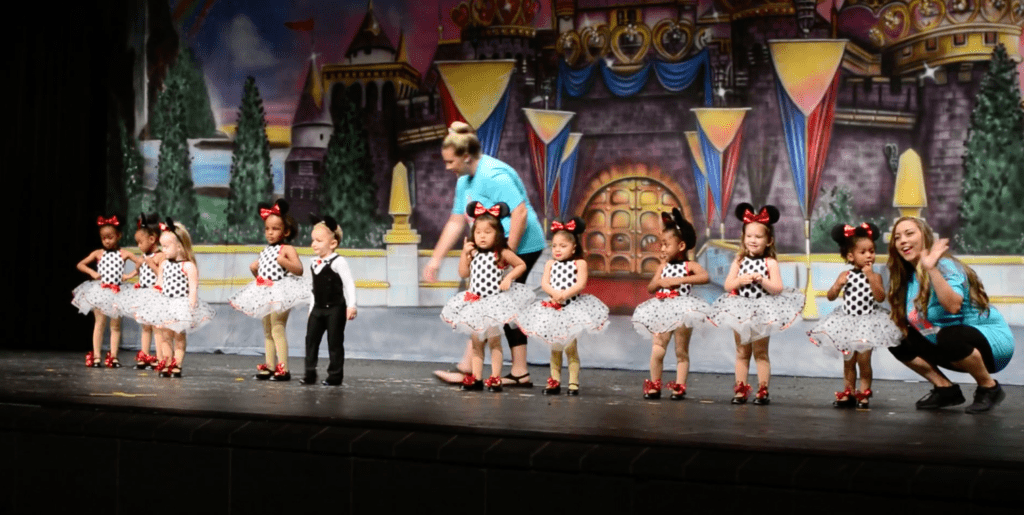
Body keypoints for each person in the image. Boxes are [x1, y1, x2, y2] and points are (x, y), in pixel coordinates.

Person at [425, 122, 546, 388]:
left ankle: (509, 371)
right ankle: (478, 368)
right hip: (491, 246)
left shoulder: (493, 175)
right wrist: (436, 259)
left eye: (450, 161)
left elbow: (520, 213)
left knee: (501, 305)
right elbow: (457, 221)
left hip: (521, 244)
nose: (447, 167)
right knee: (487, 304)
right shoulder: (464, 181)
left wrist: (506, 254)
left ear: (466, 156)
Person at [886, 216, 1014, 413]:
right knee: (893, 335)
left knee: (950, 335)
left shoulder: (945, 266)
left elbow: (953, 306)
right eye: (897, 237)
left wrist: (931, 269)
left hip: (992, 345)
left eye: (909, 233)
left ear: (925, 237)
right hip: (949, 347)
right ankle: (945, 389)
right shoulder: (909, 280)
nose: (902, 240)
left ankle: (989, 387)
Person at [711, 203, 805, 405]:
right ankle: (740, 389)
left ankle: (763, 390)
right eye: (749, 236)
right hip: (740, 309)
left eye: (758, 237)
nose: (753, 240)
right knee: (741, 352)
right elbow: (728, 285)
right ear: (743, 238)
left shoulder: (770, 262)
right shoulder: (739, 260)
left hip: (762, 310)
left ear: (769, 240)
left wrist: (762, 280)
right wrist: (740, 281)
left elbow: (778, 288)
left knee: (760, 352)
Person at [440, 202, 533, 392]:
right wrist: (464, 254)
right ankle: (476, 378)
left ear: (497, 234)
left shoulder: (501, 253)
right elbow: (464, 273)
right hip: (475, 304)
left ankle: (495, 377)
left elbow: (521, 265)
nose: (482, 236)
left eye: (487, 232)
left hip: (493, 304)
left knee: (494, 341)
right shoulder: (473, 253)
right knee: (476, 343)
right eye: (479, 232)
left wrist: (508, 277)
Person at [807, 223, 901, 409]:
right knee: (848, 361)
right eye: (863, 252)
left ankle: (864, 394)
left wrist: (871, 277)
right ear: (851, 256)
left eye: (872, 251)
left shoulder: (876, 276)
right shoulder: (846, 274)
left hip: (867, 323)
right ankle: (848, 392)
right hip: (847, 323)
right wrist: (837, 285)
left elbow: (880, 297)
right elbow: (831, 296)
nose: (869, 255)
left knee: (864, 361)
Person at [516, 217, 608, 396]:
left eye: (563, 246)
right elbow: (544, 283)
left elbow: (580, 284)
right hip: (553, 309)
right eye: (555, 246)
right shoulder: (550, 264)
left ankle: (573, 382)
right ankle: (554, 381)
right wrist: (553, 293)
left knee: (570, 348)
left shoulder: (579, 263)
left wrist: (564, 294)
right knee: (555, 348)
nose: (557, 250)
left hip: (571, 310)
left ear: (573, 247)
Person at [631, 208, 712, 400]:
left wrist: (680, 280)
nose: (662, 249)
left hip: (683, 309)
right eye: (662, 244)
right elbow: (651, 287)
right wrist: (659, 282)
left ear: (681, 245)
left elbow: (705, 277)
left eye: (666, 244)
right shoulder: (662, 267)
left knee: (681, 350)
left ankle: (679, 386)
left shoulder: (689, 266)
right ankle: (654, 384)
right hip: (662, 309)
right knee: (658, 348)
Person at [228, 200, 307, 381]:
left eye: (275, 229)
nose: (270, 233)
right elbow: (263, 276)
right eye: (267, 229)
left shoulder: (287, 249)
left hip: (281, 292)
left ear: (285, 231)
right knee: (267, 331)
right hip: (265, 292)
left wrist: (284, 261)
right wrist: (255, 270)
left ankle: (283, 368)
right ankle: (270, 366)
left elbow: (299, 269)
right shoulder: (264, 251)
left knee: (278, 328)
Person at [130, 219, 215, 378]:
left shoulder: (188, 266)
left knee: (179, 336)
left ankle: (177, 364)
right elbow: (159, 283)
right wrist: (150, 300)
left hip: (181, 304)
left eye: (167, 246)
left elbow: (193, 288)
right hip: (166, 304)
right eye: (162, 246)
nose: (164, 250)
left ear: (179, 246)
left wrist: (192, 304)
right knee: (165, 336)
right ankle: (167, 363)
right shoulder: (164, 264)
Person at [73, 214, 140, 368]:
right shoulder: (98, 253)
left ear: (119, 236)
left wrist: (129, 275)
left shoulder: (124, 253)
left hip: (117, 292)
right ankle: (97, 356)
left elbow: (142, 263)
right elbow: (80, 264)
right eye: (104, 238)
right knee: (100, 323)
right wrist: (92, 273)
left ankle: (114, 357)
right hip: (101, 292)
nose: (107, 241)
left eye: (110, 237)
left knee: (115, 326)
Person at [301, 215, 357, 386]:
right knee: (311, 340)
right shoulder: (313, 263)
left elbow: (349, 284)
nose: (314, 244)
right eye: (313, 240)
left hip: (335, 309)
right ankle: (310, 373)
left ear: (332, 243)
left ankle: (335, 375)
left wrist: (351, 305)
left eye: (318, 240)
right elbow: (313, 289)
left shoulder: (338, 262)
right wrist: (311, 309)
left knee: (334, 342)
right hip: (318, 308)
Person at [115, 213, 167, 369]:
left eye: (140, 242)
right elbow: (140, 272)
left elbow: (161, 275)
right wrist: (130, 275)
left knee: (157, 327)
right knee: (145, 326)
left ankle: (159, 358)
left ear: (151, 240)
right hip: (143, 294)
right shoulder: (144, 257)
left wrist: (150, 263)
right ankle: (144, 355)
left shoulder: (160, 256)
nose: (138, 246)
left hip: (155, 294)